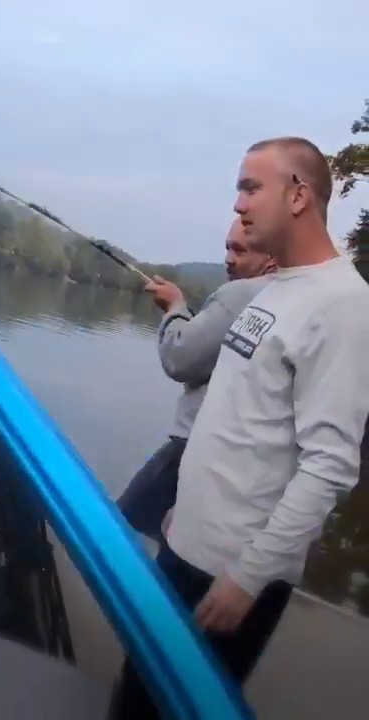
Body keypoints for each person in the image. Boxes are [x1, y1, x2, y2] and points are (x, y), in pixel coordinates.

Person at [110, 136, 369, 719]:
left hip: (227, 577)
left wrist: (247, 578)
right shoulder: (271, 292)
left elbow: (329, 464)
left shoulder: (345, 308)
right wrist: (187, 510)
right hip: (184, 546)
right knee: (134, 698)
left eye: (251, 188)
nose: (239, 206)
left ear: (299, 195)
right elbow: (231, 416)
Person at [116, 218, 277, 541]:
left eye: (241, 250)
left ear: (271, 258)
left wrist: (174, 308)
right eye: (228, 248)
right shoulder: (295, 300)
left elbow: (181, 357)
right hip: (246, 468)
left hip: (192, 449)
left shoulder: (242, 294)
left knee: (120, 532)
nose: (229, 258)